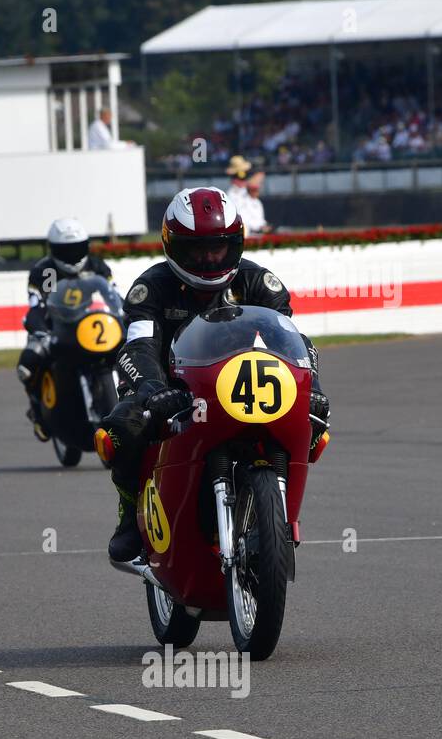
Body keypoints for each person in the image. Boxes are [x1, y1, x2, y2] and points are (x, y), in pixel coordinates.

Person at [103, 187, 330, 565]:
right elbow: (137, 347)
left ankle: (279, 520)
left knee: (316, 428)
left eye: (218, 246)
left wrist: (313, 390)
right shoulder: (151, 289)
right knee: (122, 429)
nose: (209, 257)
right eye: (197, 248)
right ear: (173, 246)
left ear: (236, 243)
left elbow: (294, 343)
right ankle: (131, 514)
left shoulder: (259, 284)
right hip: (170, 386)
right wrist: (151, 389)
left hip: (240, 382)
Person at [17, 218, 115, 441]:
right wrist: (40, 331)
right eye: (65, 250)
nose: (72, 256)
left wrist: (126, 315)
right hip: (52, 328)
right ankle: (37, 412)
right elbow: (36, 306)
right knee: (27, 366)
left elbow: (113, 296)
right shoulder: (43, 271)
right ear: (53, 249)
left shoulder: (97, 266)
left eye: (77, 249)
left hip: (87, 325)